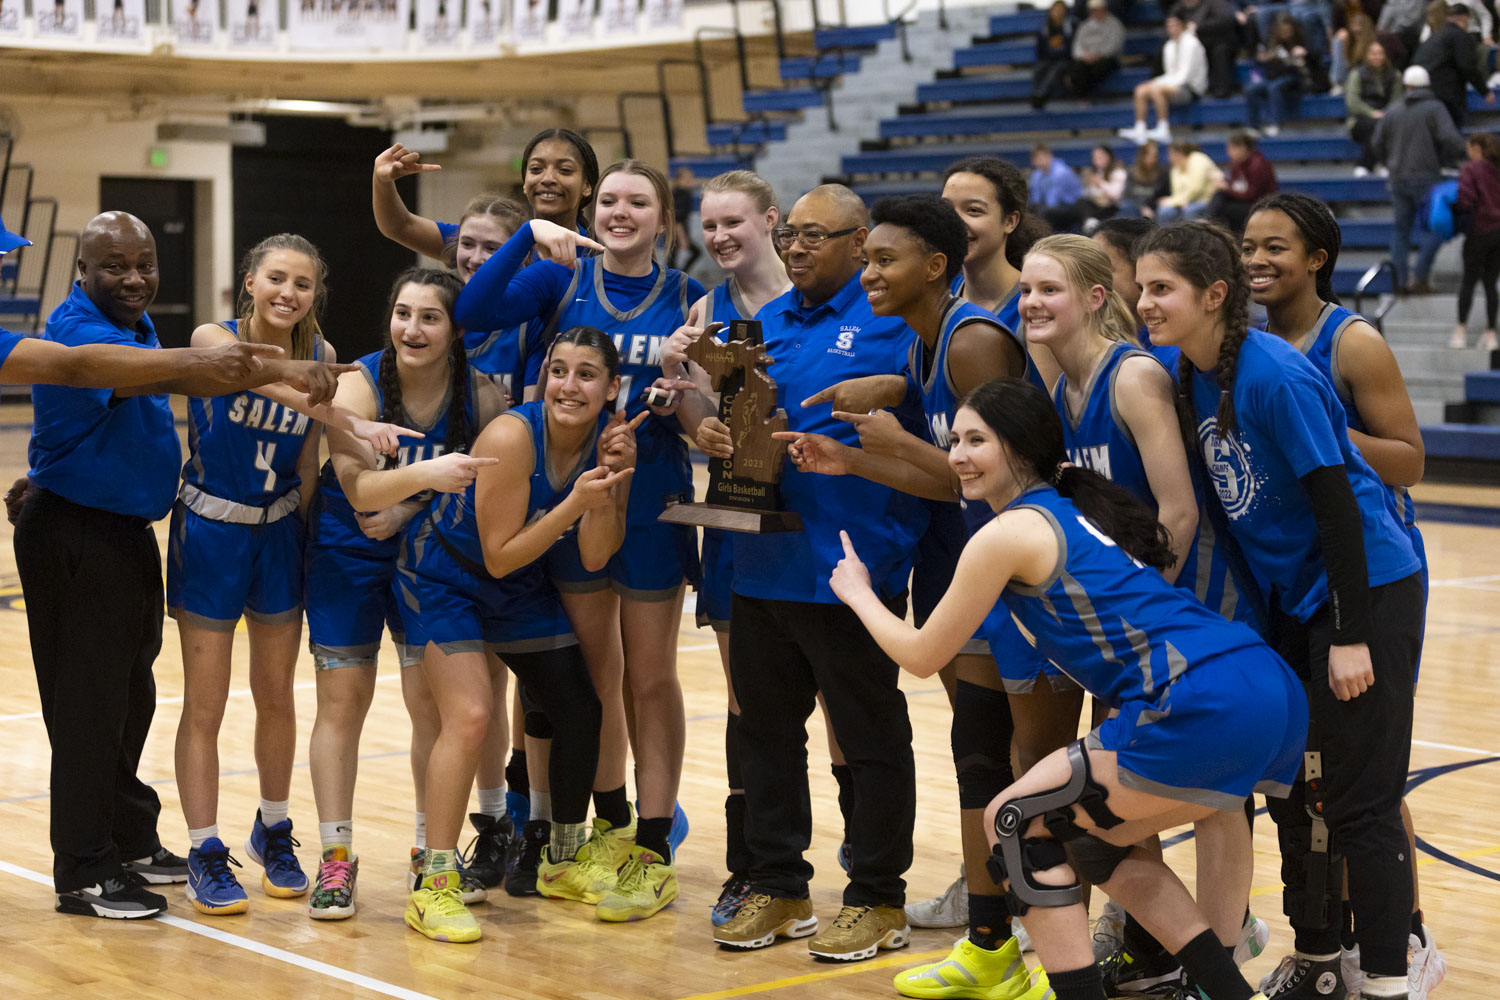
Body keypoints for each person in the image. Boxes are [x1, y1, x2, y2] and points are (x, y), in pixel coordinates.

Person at [828, 376, 1305, 1000]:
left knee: (1012, 819)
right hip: (1261, 682)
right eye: (955, 440)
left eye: (977, 440)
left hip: (1199, 694)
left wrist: (859, 592)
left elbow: (922, 655)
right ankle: (1225, 987)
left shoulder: (1006, 534)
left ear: (1021, 448)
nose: (958, 455)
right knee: (1092, 835)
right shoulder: (1073, 511)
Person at [12, 211, 351, 920]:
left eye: (145, 263)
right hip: (93, 530)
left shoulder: (132, 322)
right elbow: (164, 370)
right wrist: (284, 371)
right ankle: (85, 870)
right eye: (115, 266)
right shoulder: (86, 332)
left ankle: (130, 837)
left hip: (130, 528)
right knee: (90, 708)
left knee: (130, 698)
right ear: (82, 271)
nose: (135, 278)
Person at [1137, 220, 1422, 1000]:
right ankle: (1319, 963)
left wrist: (1351, 634)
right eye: (1142, 288)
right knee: (1296, 793)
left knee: (1361, 804)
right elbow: (1235, 520)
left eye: (1161, 288)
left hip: (1366, 590)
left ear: (1213, 295)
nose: (1146, 303)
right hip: (1295, 602)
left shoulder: (1274, 374)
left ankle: (1389, 980)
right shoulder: (1188, 373)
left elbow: (1339, 506)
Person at [768, 193, 1033, 995]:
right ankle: (992, 929)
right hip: (965, 565)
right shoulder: (924, 349)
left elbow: (1001, 480)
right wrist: (850, 457)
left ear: (936, 266)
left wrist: (894, 440)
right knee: (981, 753)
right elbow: (948, 482)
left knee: (1027, 760)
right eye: (870, 258)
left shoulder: (971, 341)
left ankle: (1047, 924)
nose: (870, 273)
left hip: (1019, 574)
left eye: (886, 259)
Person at [455, 159, 704, 905]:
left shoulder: (690, 298)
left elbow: (703, 412)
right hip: (571, 495)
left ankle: (647, 833)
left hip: (652, 498)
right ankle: (579, 820)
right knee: (583, 675)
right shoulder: (561, 279)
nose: (620, 213)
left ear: (665, 219)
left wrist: (684, 402)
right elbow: (473, 309)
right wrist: (527, 236)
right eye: (610, 201)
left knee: (650, 676)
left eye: (639, 202)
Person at [707, 184, 925, 963]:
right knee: (764, 735)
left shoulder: (896, 323)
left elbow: (928, 414)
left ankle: (878, 897)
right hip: (760, 561)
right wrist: (713, 432)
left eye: (814, 235)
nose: (796, 248)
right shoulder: (759, 325)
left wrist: (898, 388)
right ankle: (779, 886)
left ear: (859, 241)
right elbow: (735, 423)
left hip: (851, 565)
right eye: (790, 235)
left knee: (868, 739)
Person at [1240, 193, 1447, 1000]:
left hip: (1371, 567)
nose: (1258, 260)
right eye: (1248, 247)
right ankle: (1334, 942)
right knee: (1315, 774)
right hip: (1300, 578)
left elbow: (1409, 459)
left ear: (1317, 258)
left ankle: (1409, 938)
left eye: (1276, 247)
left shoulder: (1351, 341)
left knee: (1369, 770)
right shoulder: (1249, 347)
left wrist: (1313, 424)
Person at [168, 234, 409, 916]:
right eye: (276, 278)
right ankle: (203, 848)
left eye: (303, 283)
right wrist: (334, 407)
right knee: (206, 703)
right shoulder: (212, 336)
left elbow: (307, 461)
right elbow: (249, 376)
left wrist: (301, 532)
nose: (288, 293)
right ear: (250, 280)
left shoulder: (324, 356)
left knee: (276, 694)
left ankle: (273, 828)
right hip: (211, 528)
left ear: (315, 293)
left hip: (277, 531)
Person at [396, 326, 641, 940]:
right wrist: (574, 503)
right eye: (558, 371)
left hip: (514, 582)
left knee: (582, 706)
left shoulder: (609, 445)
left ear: (612, 388)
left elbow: (594, 556)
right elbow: (499, 556)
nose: (569, 386)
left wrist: (611, 485)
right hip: (444, 575)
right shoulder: (511, 435)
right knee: (472, 715)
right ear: (543, 378)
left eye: (586, 374)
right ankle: (434, 884)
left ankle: (562, 859)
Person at [303, 268, 507, 921]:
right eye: (402, 313)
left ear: (456, 330)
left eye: (429, 317)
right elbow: (359, 490)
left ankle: (429, 850)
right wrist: (421, 484)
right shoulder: (358, 385)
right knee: (343, 700)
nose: (411, 329)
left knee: (432, 706)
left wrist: (410, 506)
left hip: (430, 552)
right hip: (347, 548)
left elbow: (483, 488)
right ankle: (336, 859)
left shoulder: (481, 394)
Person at [1372, 64, 1468, 293]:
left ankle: (1400, 282)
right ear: (1427, 85)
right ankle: (1421, 277)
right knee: (1433, 228)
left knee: (1401, 231)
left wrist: (1388, 162)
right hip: (1426, 176)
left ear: (1406, 86)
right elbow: (1450, 138)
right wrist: (1466, 155)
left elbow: (1376, 142)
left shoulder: (1393, 110)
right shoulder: (1434, 108)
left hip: (1397, 177)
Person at [1118, 15, 1209, 144]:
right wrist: (1155, 82)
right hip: (1173, 84)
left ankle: (1163, 128)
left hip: (1191, 88)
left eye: (1175, 25)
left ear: (1182, 25)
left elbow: (1184, 76)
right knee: (1141, 89)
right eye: (1169, 26)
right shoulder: (1169, 46)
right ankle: (1140, 128)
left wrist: (1158, 84)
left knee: (1156, 90)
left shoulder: (1192, 43)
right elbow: (1170, 73)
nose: (1172, 28)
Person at [1414, 2, 1495, 126]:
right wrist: (1485, 91)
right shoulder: (1460, 36)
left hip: (1425, 94)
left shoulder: (1434, 37)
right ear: (1464, 18)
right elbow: (1467, 66)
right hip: (1448, 97)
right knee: (1453, 132)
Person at [1454, 131, 1500, 348]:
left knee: (1468, 282)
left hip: (1478, 232)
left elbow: (1466, 199)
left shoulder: (1470, 169)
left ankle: (1461, 331)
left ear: (1476, 148)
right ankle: (1491, 333)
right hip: (1498, 233)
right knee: (1491, 283)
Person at [1245, 13, 1317, 136]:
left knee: (1274, 87)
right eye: (1283, 31)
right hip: (1271, 76)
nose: (1286, 34)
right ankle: (1252, 127)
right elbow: (1258, 60)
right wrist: (1262, 59)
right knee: (1251, 89)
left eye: (1289, 31)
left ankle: (1275, 124)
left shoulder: (1301, 40)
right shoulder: (1270, 41)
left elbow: (1315, 58)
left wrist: (1304, 53)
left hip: (1293, 77)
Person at [1347, 40, 1404, 177]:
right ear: (1367, 55)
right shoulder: (1357, 73)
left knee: (1381, 125)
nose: (1376, 57)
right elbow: (1352, 101)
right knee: (1374, 125)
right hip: (1360, 118)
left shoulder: (1394, 75)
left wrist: (1386, 113)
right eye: (1373, 53)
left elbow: (1396, 100)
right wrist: (1371, 112)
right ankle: (1374, 164)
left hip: (1387, 117)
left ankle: (1368, 165)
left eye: (1380, 53)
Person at [1209, 131, 1279, 233]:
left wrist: (1227, 189)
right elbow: (1236, 187)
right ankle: (1210, 226)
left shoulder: (1258, 165)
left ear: (1242, 148)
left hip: (1260, 204)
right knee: (1219, 196)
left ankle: (1212, 228)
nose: (1228, 153)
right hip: (1244, 201)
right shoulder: (1236, 164)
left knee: (1223, 208)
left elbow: (1252, 195)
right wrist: (1225, 186)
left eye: (1231, 149)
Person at [1174, 0, 1245, 97]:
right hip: (1200, 43)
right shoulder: (1181, 7)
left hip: (1222, 42)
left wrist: (1198, 26)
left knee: (1220, 50)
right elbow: (1172, 18)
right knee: (1183, 45)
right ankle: (1188, 87)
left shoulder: (1217, 3)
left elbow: (1225, 20)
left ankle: (1222, 90)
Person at [1065, 0, 1126, 98]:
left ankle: (1089, 96)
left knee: (1098, 68)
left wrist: (1098, 55)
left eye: (1099, 9)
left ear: (1104, 9)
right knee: (1077, 68)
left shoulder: (1115, 24)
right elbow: (1077, 47)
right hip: (1086, 58)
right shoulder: (1084, 26)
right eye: (1093, 10)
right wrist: (1084, 55)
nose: (1096, 12)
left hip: (1107, 58)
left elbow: (1114, 45)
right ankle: (1080, 97)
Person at [1157, 141, 1223, 223]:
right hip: (1187, 201)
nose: (1169, 159)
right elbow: (1177, 192)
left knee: (1190, 210)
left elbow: (1197, 188)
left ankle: (1192, 231)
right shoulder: (1176, 168)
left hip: (1207, 200)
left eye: (1170, 154)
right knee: (1165, 211)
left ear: (1179, 153)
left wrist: (1172, 201)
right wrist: (1175, 201)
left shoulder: (1198, 159)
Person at [1031, 144, 1086, 234]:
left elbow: (1052, 201)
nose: (1038, 161)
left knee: (1046, 214)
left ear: (1049, 157)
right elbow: (1035, 199)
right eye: (1036, 159)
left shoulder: (1061, 172)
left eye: (1041, 158)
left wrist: (1039, 211)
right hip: (1053, 207)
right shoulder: (1037, 175)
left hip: (1072, 207)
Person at [1032, 1, 1077, 109]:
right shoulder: (1044, 30)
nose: (1058, 12)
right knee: (1039, 68)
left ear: (1065, 12)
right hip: (1049, 60)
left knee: (1057, 68)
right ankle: (1037, 92)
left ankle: (1043, 92)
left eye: (1061, 10)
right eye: (1056, 10)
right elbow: (1040, 51)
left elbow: (1072, 48)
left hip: (1066, 60)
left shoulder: (1071, 26)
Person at [1079, 145, 1128, 232]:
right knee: (1081, 202)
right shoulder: (1096, 172)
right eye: (1094, 157)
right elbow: (1087, 194)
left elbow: (1115, 196)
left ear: (1108, 156)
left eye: (1100, 157)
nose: (1096, 160)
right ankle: (1090, 222)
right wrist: (1088, 185)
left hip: (1113, 207)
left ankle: (1091, 223)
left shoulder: (1118, 172)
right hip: (1097, 205)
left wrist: (1100, 183)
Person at [1118, 140, 1171, 219]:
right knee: (1125, 206)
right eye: (1151, 155)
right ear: (1142, 156)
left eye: (1155, 156)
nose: (1154, 159)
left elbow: (1166, 194)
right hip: (1136, 206)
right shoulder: (1132, 172)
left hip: (1154, 207)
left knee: (1166, 210)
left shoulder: (1162, 172)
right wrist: (1142, 208)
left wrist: (1157, 202)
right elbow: (1128, 196)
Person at [672, 165, 703, 275]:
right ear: (679, 180)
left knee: (673, 256)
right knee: (694, 252)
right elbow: (677, 217)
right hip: (678, 231)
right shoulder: (682, 193)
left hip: (677, 230)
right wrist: (682, 236)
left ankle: (679, 275)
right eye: (688, 179)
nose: (691, 181)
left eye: (691, 178)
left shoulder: (679, 191)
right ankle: (681, 275)